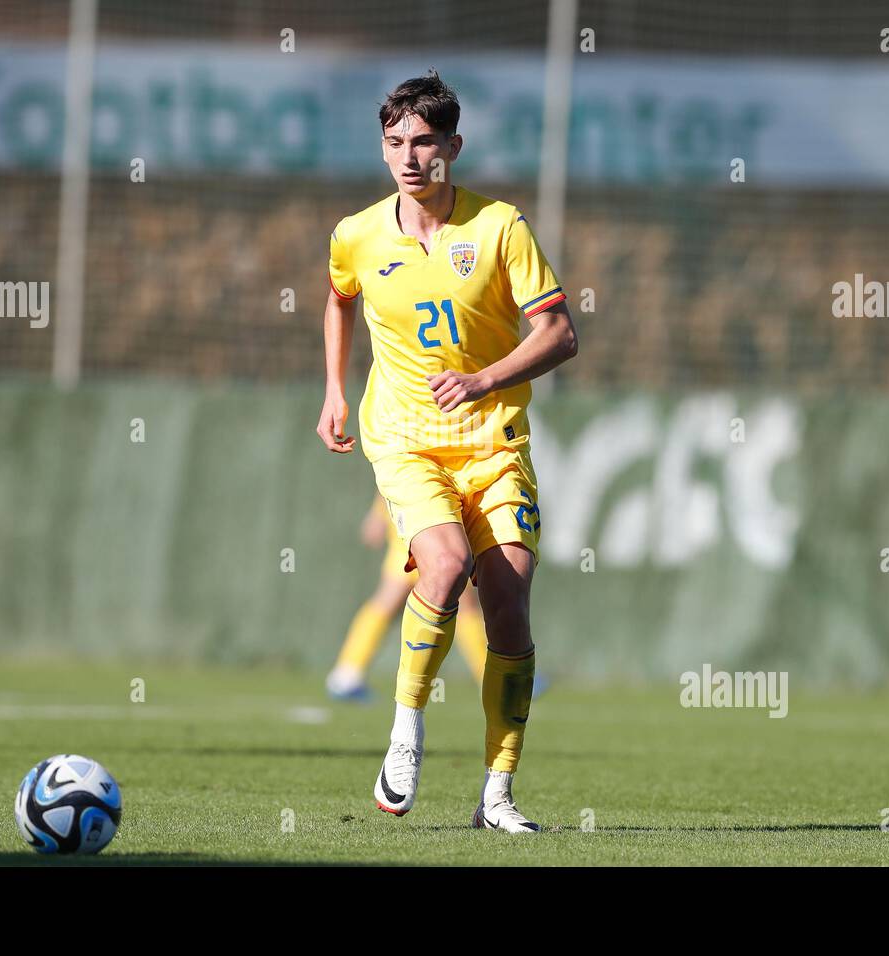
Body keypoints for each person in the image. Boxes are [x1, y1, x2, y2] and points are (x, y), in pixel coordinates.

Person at [315, 72, 578, 831]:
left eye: (424, 141)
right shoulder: (357, 234)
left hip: (494, 443)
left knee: (510, 612)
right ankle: (405, 731)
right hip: (406, 442)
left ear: (453, 147)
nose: (408, 156)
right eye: (395, 141)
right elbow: (338, 297)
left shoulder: (500, 228)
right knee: (442, 564)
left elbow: (560, 333)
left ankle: (496, 796)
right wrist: (334, 390)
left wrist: (485, 379)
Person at [326, 494, 488, 702]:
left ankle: (347, 673)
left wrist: (377, 514)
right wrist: (377, 515)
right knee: (463, 603)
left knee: (388, 601)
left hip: (425, 517)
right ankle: (493, 678)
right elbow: (397, 463)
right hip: (423, 520)